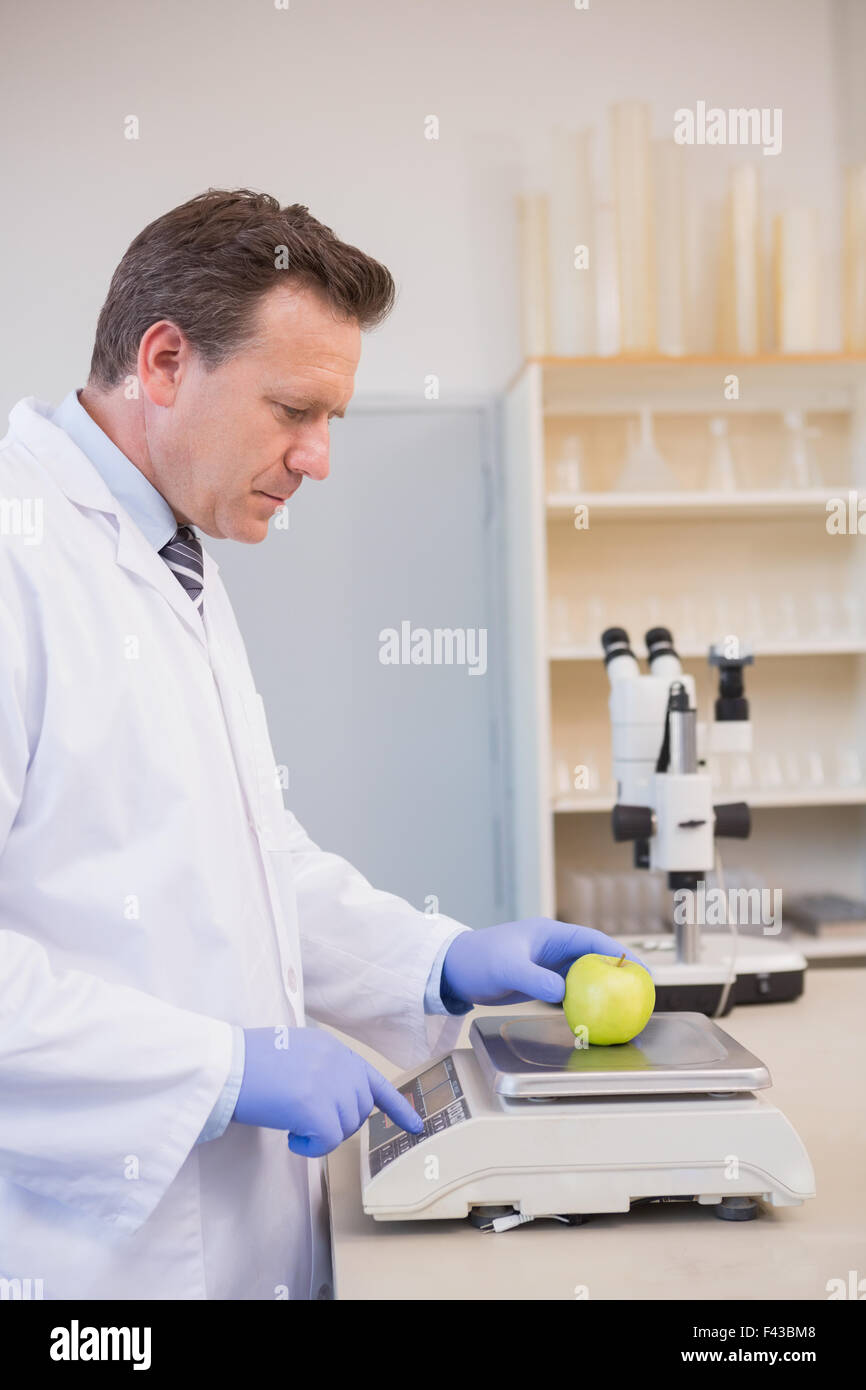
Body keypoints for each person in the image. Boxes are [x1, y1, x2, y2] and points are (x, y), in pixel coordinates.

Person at [0, 188, 640, 1300]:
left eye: (333, 417)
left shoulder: (174, 557)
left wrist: (432, 960)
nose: (319, 458)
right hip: (96, 1271)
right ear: (162, 362)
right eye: (295, 409)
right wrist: (222, 1067)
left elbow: (248, 863)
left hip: (246, 1235)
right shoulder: (21, 561)